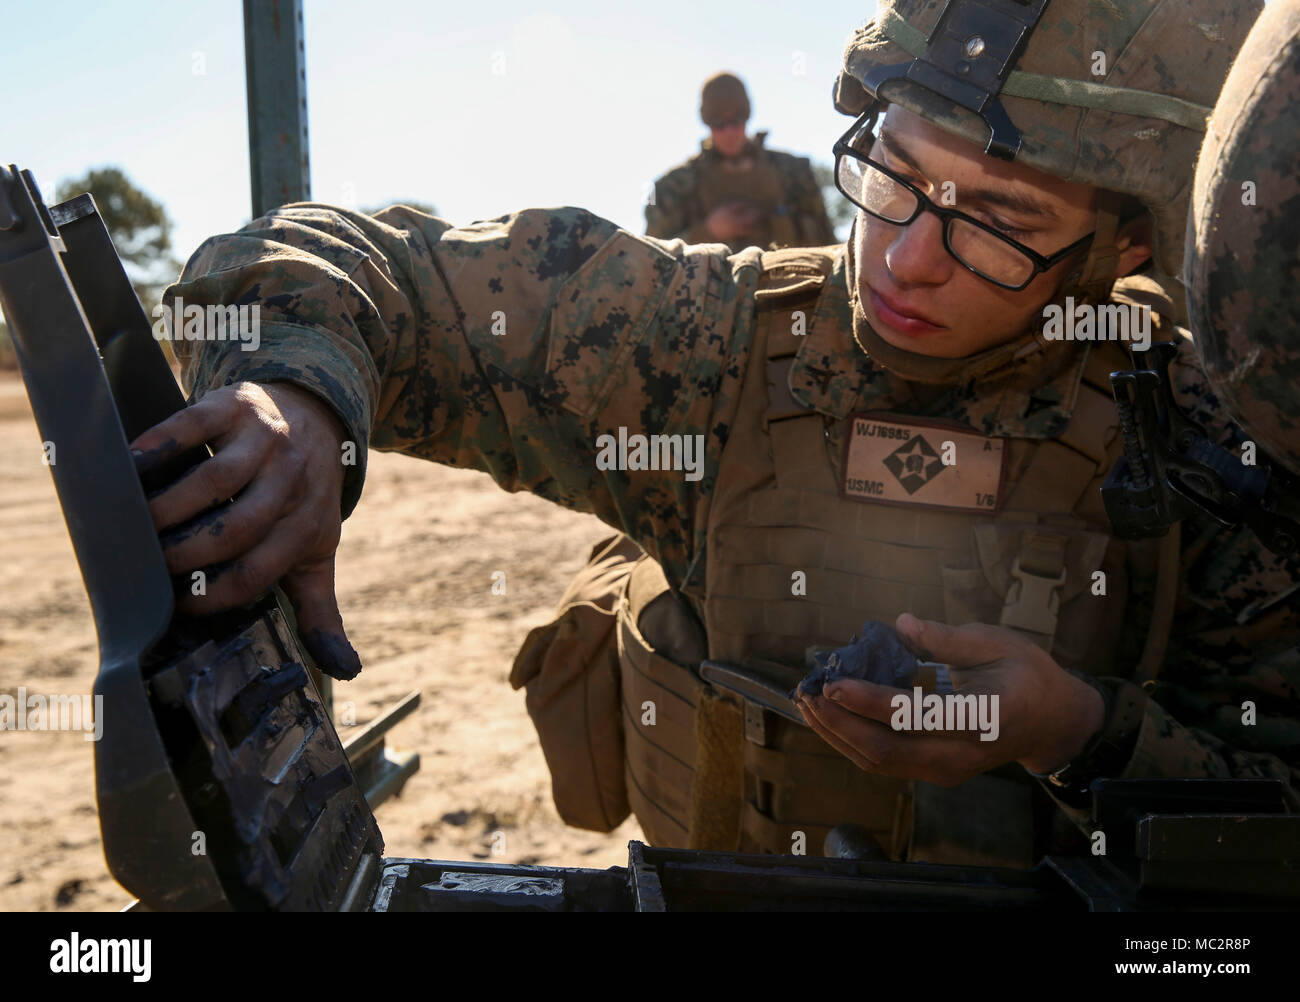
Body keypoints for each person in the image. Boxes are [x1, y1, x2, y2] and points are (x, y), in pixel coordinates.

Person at [131, 0, 1294, 865]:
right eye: (891, 170)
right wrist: (300, 391)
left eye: (997, 221)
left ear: (1128, 249)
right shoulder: (703, 339)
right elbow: (342, 259)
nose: (904, 256)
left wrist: (1077, 732)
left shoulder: (1206, 432)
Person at [644, 72, 835, 252]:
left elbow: (828, 246)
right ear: (706, 121)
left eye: (736, 120)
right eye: (718, 122)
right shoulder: (673, 188)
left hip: (794, 283)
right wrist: (708, 232)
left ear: (747, 116)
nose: (729, 131)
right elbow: (652, 260)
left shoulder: (794, 173)